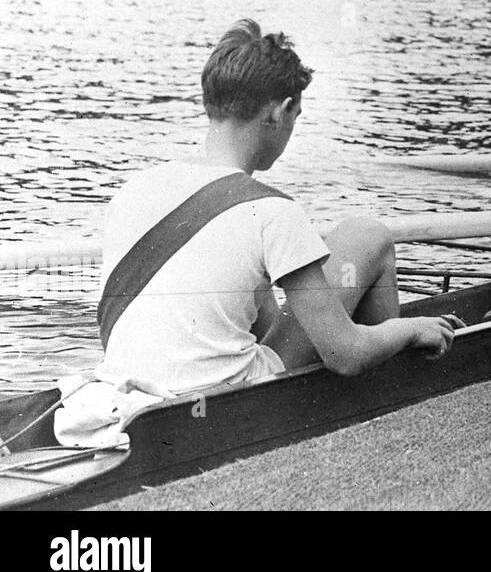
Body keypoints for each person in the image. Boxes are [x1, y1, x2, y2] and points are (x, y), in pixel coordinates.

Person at [95, 20, 461, 397]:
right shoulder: (271, 209)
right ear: (279, 112)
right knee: (368, 236)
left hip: (125, 392)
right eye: (295, 118)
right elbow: (344, 355)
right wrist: (409, 329)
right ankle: (390, 395)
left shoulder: (135, 189)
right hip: (225, 399)